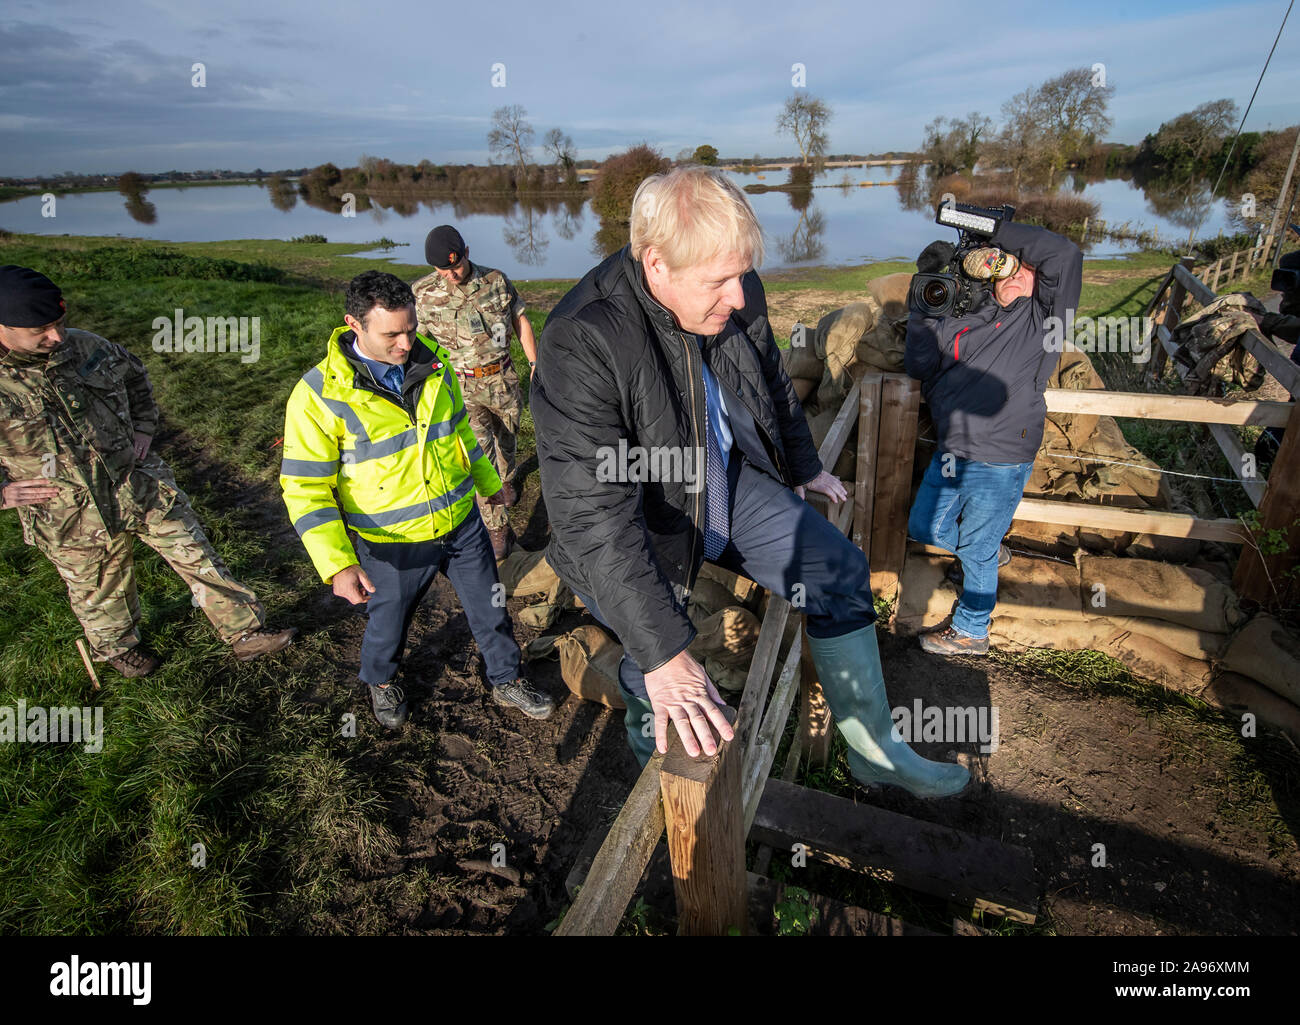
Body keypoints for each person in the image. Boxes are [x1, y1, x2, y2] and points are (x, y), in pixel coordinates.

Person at [531, 167, 968, 798]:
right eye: (720, 282)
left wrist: (802, 466)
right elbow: (593, 514)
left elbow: (771, 384)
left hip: (722, 483)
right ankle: (664, 805)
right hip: (637, 519)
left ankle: (877, 754)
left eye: (742, 274)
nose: (740, 296)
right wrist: (662, 652)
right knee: (656, 658)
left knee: (839, 572)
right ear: (657, 266)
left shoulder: (734, 287)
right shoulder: (583, 341)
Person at [279, 270, 552, 728]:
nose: (406, 344)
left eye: (410, 329)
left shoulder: (435, 364)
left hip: (462, 522)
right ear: (354, 325)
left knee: (490, 604)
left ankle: (506, 679)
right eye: (392, 335)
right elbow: (305, 487)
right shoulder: (317, 396)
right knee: (389, 620)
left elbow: (460, 432)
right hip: (391, 540)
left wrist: (488, 484)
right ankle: (381, 683)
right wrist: (338, 564)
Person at [0, 265, 296, 677]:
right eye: (42, 332)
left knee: (195, 553)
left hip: (137, 481)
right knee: (98, 585)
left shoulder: (86, 347)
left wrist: (143, 428)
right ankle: (119, 648)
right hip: (67, 510)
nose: (57, 337)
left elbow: (136, 376)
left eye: (59, 323)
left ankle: (246, 633)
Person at [904, 222, 1083, 656]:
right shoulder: (967, 315)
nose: (1017, 275)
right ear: (991, 276)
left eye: (1026, 269)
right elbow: (919, 363)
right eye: (1008, 269)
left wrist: (996, 233)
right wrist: (924, 304)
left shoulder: (1044, 319)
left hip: (1001, 455)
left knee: (977, 546)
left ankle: (972, 630)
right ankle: (985, 555)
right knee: (922, 525)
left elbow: (1066, 255)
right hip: (953, 448)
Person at [412, 226, 538, 560]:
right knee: (478, 457)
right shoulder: (423, 294)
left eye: (456, 266)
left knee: (507, 441)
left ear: (466, 251)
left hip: (502, 380)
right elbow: (416, 344)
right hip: (460, 387)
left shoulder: (496, 280)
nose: (452, 274)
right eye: (444, 270)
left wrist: (534, 362)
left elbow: (519, 321)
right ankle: (497, 527)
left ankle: (508, 477)